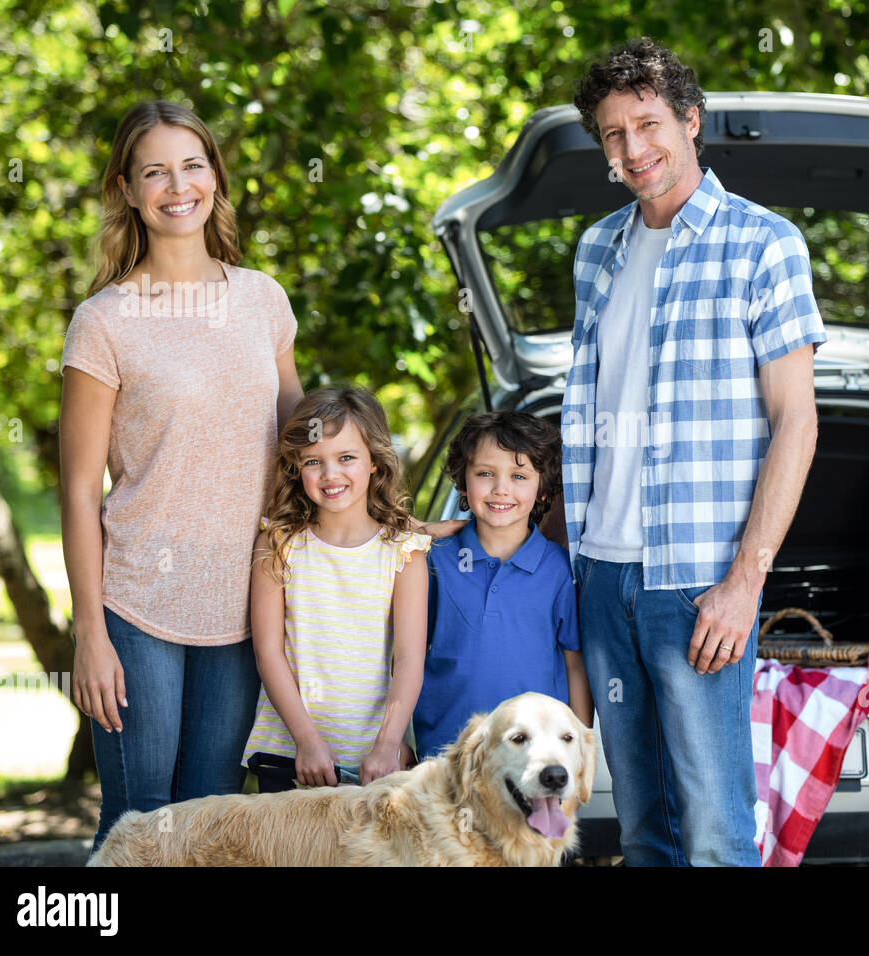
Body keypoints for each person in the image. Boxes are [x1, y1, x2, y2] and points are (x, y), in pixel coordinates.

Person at [563, 38, 826, 866]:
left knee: (714, 832)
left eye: (648, 124)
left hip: (699, 584)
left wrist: (746, 580)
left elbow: (796, 421)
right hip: (603, 578)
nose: (633, 149)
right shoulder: (596, 249)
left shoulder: (764, 243)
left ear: (690, 120)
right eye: (612, 135)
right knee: (640, 829)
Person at [59, 100, 304, 857]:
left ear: (214, 179)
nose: (177, 185)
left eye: (192, 165)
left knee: (210, 830)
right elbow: (77, 489)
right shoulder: (103, 322)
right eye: (155, 171)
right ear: (129, 190)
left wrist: (399, 523)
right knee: (139, 828)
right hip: (138, 609)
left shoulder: (261, 299)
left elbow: (307, 445)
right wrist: (90, 634)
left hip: (242, 609)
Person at [243, 386, 432, 789]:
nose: (331, 475)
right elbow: (269, 653)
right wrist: (306, 741)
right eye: (314, 461)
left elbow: (409, 659)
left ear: (375, 463)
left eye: (346, 457)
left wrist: (388, 744)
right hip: (289, 753)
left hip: (375, 761)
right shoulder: (278, 544)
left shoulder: (404, 552)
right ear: (297, 467)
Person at [413, 410, 593, 763]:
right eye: (485, 473)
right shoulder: (435, 559)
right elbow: (406, 656)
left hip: (534, 759)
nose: (501, 489)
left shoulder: (559, 569)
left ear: (542, 491)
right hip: (445, 755)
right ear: (463, 483)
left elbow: (575, 665)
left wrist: (579, 751)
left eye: (519, 475)